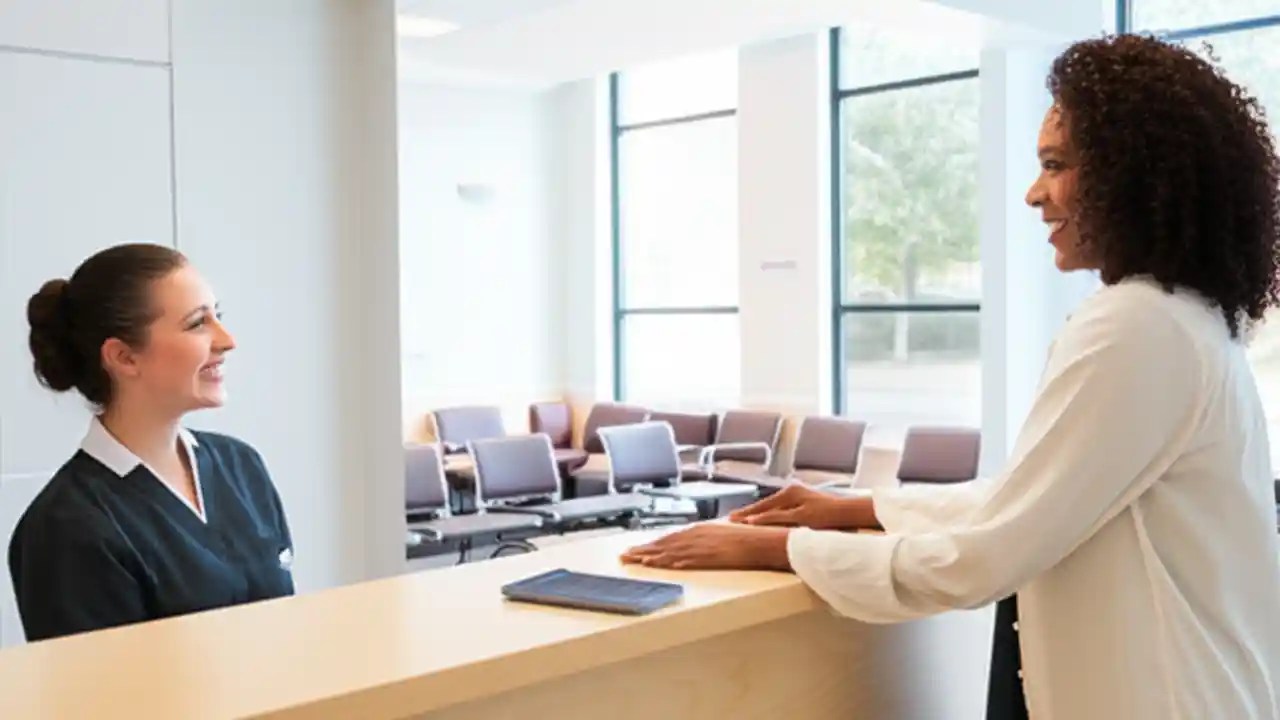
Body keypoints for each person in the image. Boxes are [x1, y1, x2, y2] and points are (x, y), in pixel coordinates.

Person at [623, 34, 1280, 719]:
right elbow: (1035, 500)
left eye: (1055, 164)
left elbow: (985, 556)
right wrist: (861, 508)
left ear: (1133, 174)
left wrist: (778, 547)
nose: (1034, 194)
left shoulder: (1136, 327)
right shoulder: (1189, 321)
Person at [9, 243, 295, 642]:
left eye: (219, 316)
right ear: (124, 358)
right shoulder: (66, 527)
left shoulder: (241, 466)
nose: (227, 340)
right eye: (198, 323)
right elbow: (97, 698)